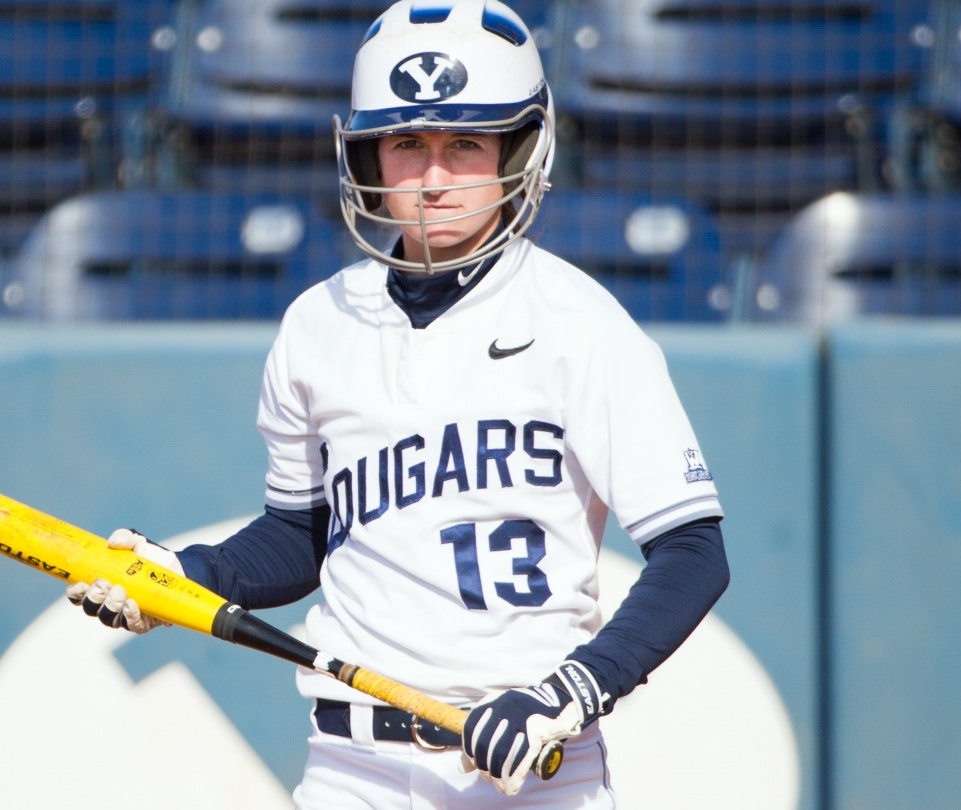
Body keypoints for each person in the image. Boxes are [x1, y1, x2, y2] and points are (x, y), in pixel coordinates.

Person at [67, 0, 729, 806]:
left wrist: (571, 690)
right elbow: (302, 535)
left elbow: (693, 551)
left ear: (521, 149)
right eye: (407, 144)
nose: (434, 178)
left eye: (466, 144)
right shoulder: (318, 324)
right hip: (353, 769)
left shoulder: (582, 325)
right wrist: (185, 575)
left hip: (531, 767)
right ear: (367, 154)